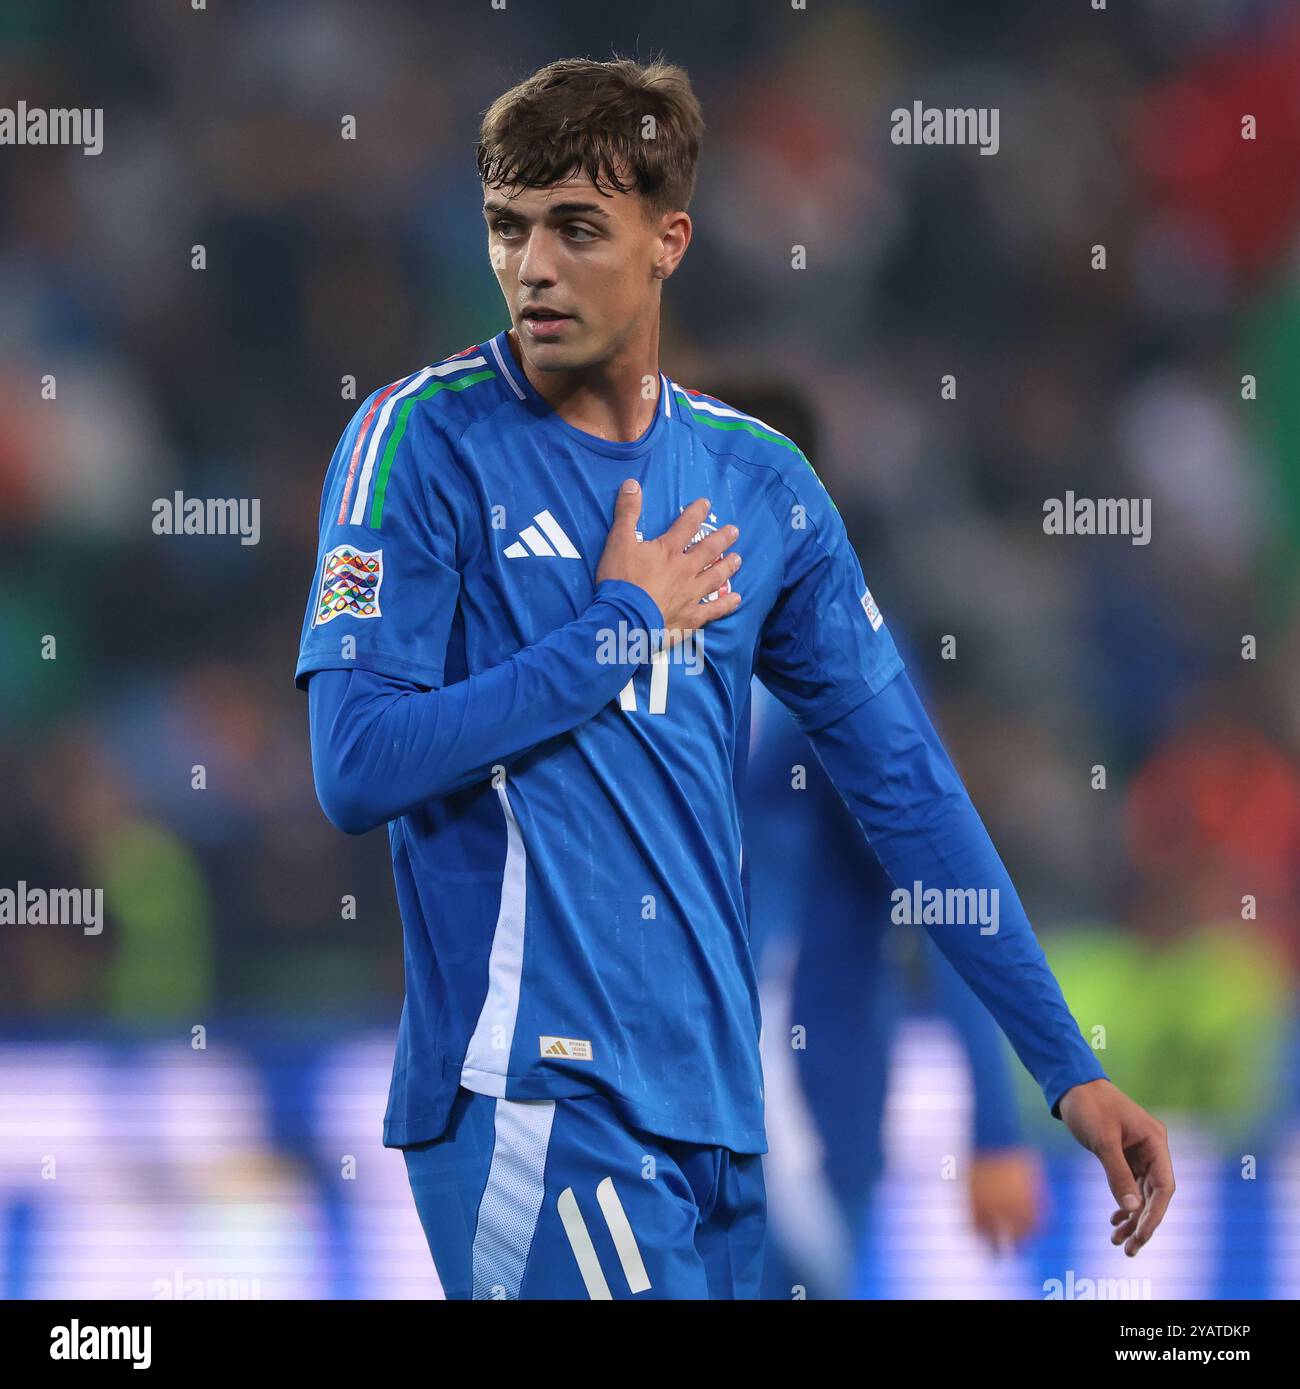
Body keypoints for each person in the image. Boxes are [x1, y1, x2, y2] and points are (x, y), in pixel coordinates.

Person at [295, 56, 1173, 1300]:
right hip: (531, 1095)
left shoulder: (761, 485)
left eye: (576, 227)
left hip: (717, 1121)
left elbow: (911, 796)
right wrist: (611, 631)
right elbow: (353, 763)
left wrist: (1062, 1067)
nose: (532, 265)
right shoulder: (418, 443)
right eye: (508, 227)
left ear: (670, 239)